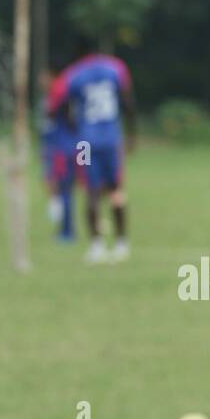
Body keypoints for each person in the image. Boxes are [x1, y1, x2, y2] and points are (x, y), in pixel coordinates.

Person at [49, 42, 136, 264]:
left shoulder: (73, 75)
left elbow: (59, 107)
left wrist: (74, 129)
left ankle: (96, 245)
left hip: (85, 143)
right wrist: (132, 134)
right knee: (116, 190)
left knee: (90, 191)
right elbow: (127, 102)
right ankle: (121, 243)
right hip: (111, 140)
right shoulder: (115, 68)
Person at [38, 66, 78, 242]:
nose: (41, 81)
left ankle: (67, 232)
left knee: (64, 189)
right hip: (53, 149)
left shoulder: (62, 97)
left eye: (44, 76)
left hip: (62, 150)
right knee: (53, 185)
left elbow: (70, 122)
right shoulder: (48, 98)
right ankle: (63, 227)